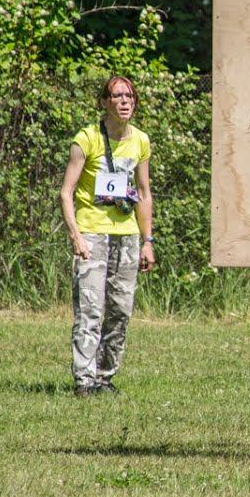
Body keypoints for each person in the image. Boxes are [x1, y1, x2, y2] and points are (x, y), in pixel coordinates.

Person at [59, 75, 156, 396]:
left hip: (127, 237)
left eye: (129, 96)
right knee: (90, 308)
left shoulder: (140, 140)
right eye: (117, 96)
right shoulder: (86, 139)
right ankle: (84, 381)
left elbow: (143, 192)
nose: (125, 101)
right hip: (92, 233)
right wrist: (76, 236)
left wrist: (148, 241)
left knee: (121, 310)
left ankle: (105, 378)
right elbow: (66, 192)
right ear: (104, 102)